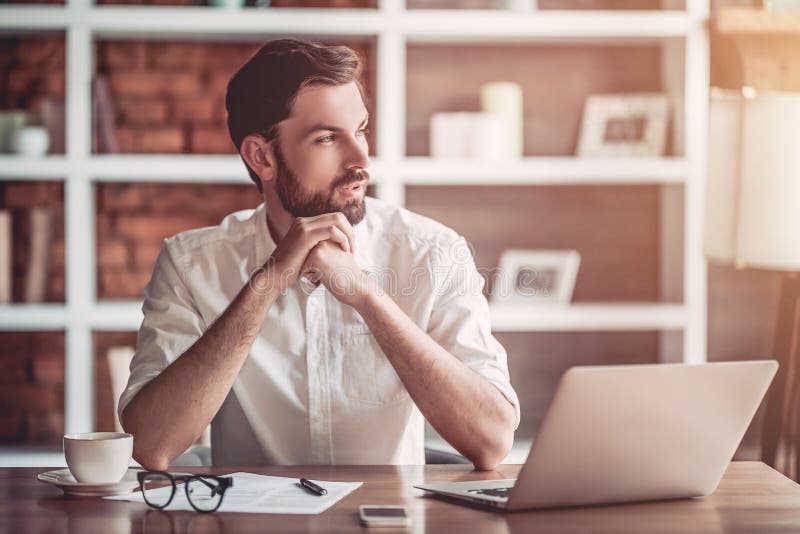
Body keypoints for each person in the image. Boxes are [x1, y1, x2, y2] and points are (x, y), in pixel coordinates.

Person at [119, 38, 519, 471]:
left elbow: (493, 440)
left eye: (361, 130)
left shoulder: (434, 253)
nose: (360, 157)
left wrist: (367, 296)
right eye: (328, 138)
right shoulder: (191, 263)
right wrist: (266, 284)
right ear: (261, 157)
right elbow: (150, 445)